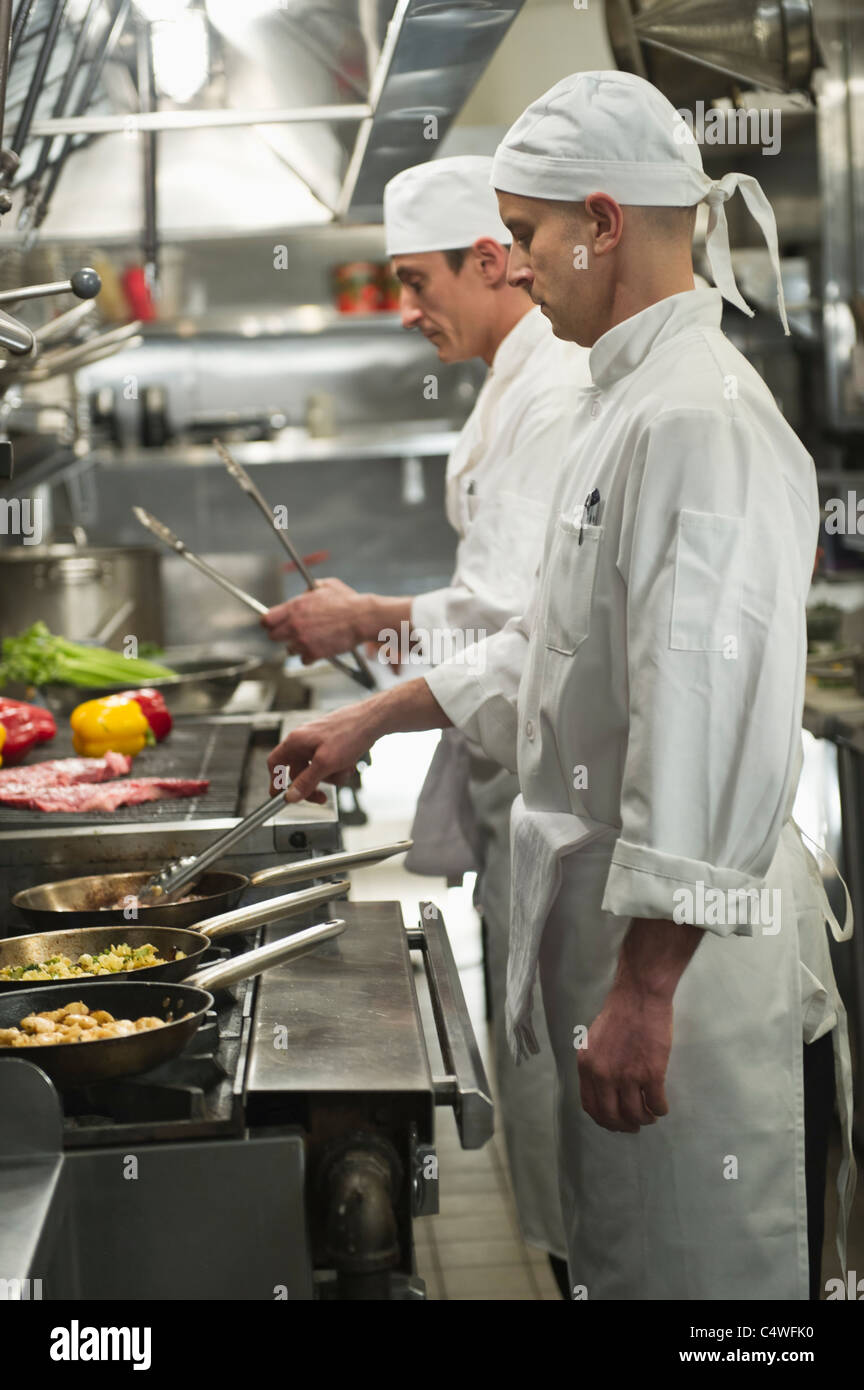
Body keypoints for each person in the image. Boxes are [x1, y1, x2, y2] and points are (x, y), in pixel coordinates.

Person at [265, 71, 855, 1300]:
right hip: (632, 957)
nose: (519, 270)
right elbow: (550, 643)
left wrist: (647, 983)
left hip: (690, 980)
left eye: (528, 236)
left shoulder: (697, 418)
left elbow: (702, 713)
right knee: (633, 1262)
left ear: (600, 220)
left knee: (712, 1287)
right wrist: (374, 712)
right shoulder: (623, 397)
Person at [262, 155, 592, 1286]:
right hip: (531, 807)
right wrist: (375, 624)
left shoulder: (551, 388)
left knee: (582, 1126)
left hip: (569, 812)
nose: (407, 311)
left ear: (491, 261)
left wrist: (369, 678)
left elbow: (515, 632)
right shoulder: (518, 375)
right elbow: (499, 615)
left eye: (416, 281)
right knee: (554, 1102)